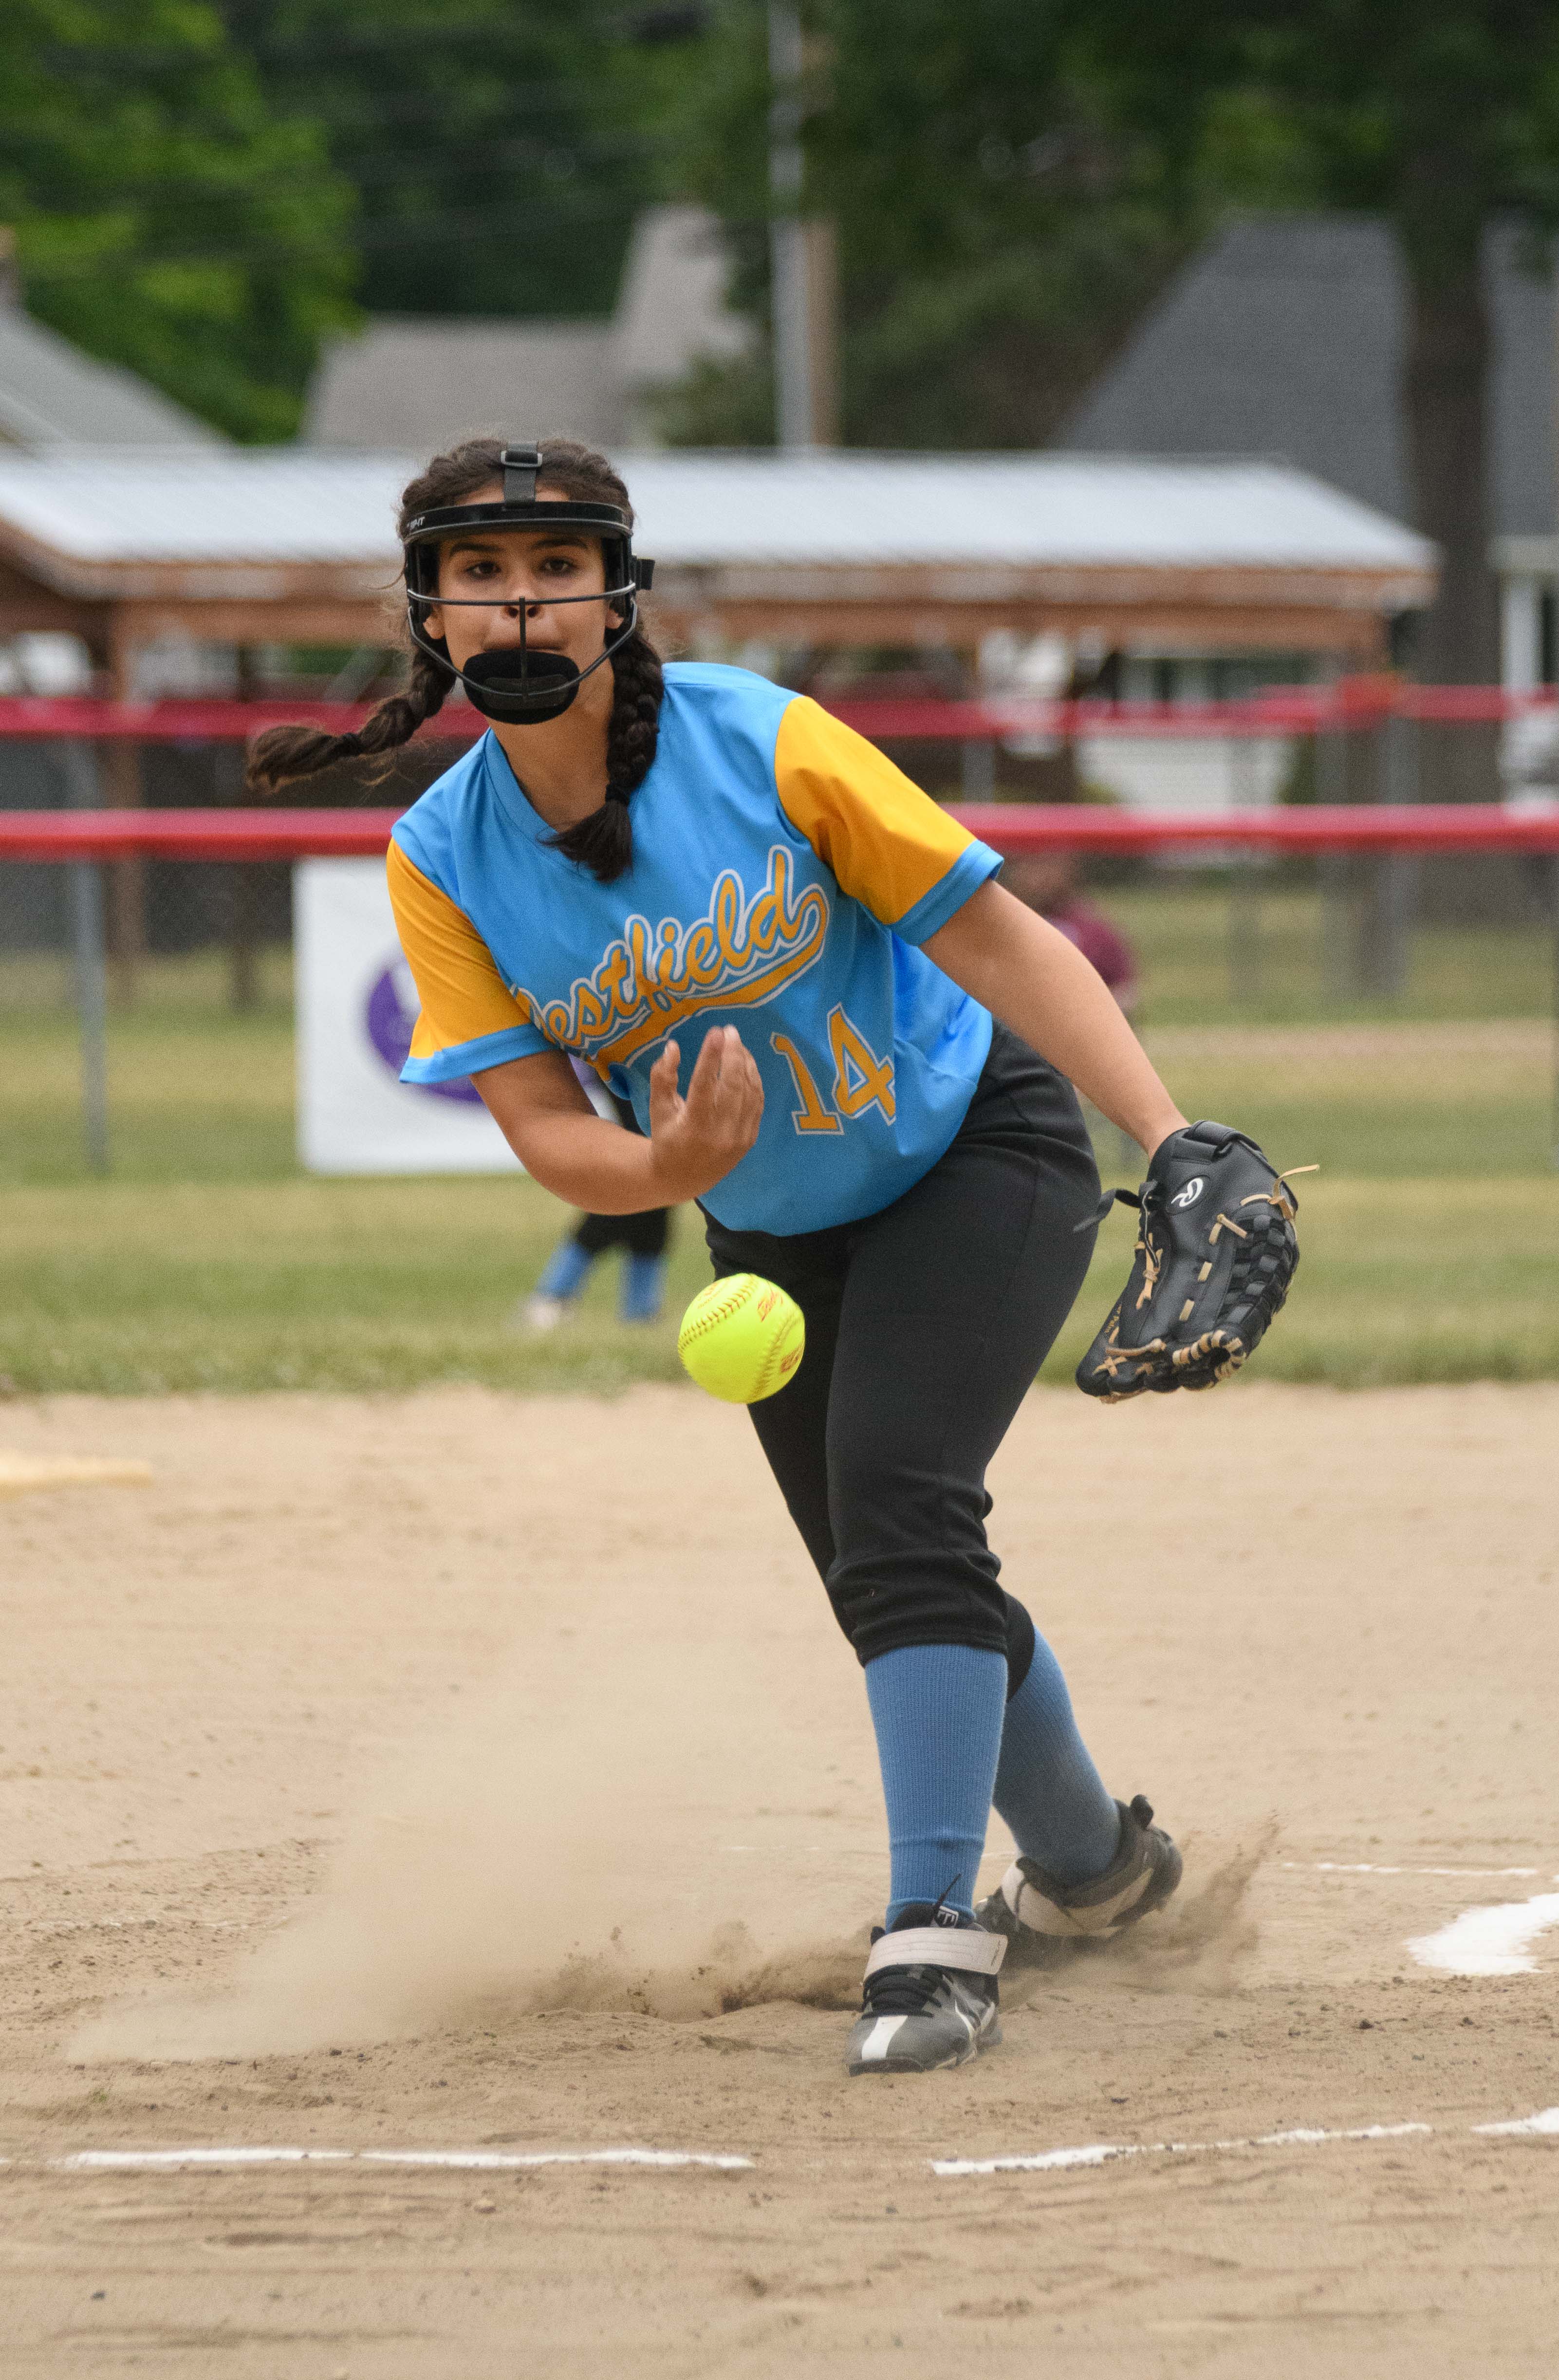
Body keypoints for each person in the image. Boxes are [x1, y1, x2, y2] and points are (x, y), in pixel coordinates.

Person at [249, 435, 1207, 2080]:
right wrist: (660, 1171)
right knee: (887, 1573)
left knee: (901, 1511)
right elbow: (540, 1118)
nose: (520, 603)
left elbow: (994, 936)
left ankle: (932, 1932)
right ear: (432, 614)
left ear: (617, 593)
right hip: (767, 1231)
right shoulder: (442, 854)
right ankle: (1095, 1867)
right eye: (480, 573)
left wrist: (1168, 1137)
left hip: (972, 1143)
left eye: (556, 566)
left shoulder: (761, 737)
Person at [522, 1065, 671, 1329]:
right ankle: (554, 1296)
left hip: (660, 1054)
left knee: (660, 1173)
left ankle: (639, 1310)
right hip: (625, 1054)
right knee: (651, 1167)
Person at [1009, 850, 1138, 1011]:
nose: (1039, 875)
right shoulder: (999, 921)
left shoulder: (1093, 930)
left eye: (1048, 864)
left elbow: (1124, 991)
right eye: (1029, 863)